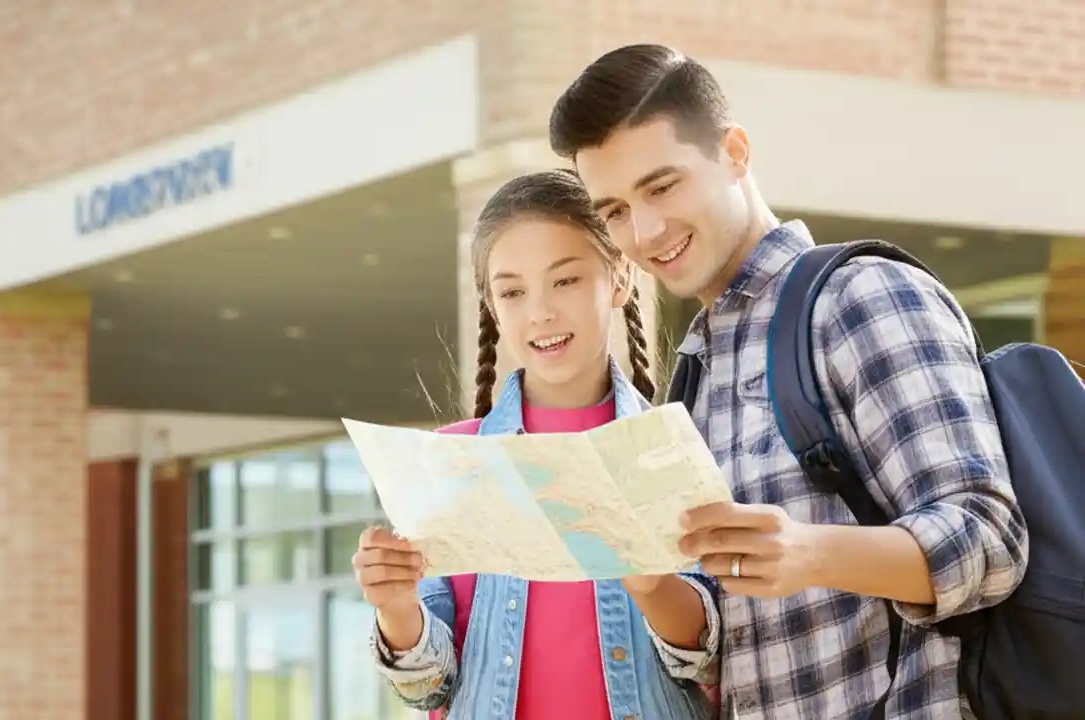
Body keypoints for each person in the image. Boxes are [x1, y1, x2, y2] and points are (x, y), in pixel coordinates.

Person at [546, 44, 1028, 719]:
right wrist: (648, 582)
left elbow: (989, 539)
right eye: (615, 211)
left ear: (735, 152)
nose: (645, 231)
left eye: (662, 186)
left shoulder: (860, 297)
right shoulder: (695, 374)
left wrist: (811, 552)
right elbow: (722, 650)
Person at [351, 169, 713, 720]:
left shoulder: (670, 450)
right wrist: (397, 609)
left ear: (619, 278)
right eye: (513, 291)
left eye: (565, 280)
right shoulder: (452, 464)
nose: (540, 311)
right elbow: (429, 689)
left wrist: (650, 582)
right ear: (493, 307)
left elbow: (704, 658)